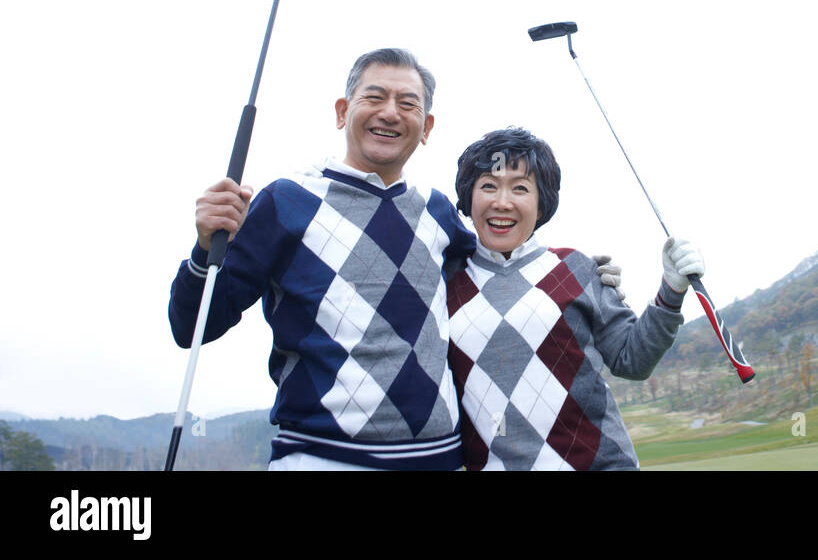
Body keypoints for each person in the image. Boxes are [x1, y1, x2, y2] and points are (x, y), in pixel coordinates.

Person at [168, 48, 477, 470]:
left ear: (426, 127)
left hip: (440, 460)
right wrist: (205, 248)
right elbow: (192, 326)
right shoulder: (286, 202)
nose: (390, 113)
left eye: (407, 104)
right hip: (320, 459)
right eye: (374, 97)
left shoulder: (438, 212)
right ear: (342, 111)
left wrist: (586, 275)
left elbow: (498, 277)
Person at [447, 126, 704, 470]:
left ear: (541, 206)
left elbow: (634, 360)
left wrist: (671, 289)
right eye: (488, 186)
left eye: (520, 188)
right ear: (468, 197)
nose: (502, 202)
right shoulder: (446, 287)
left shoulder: (576, 269)